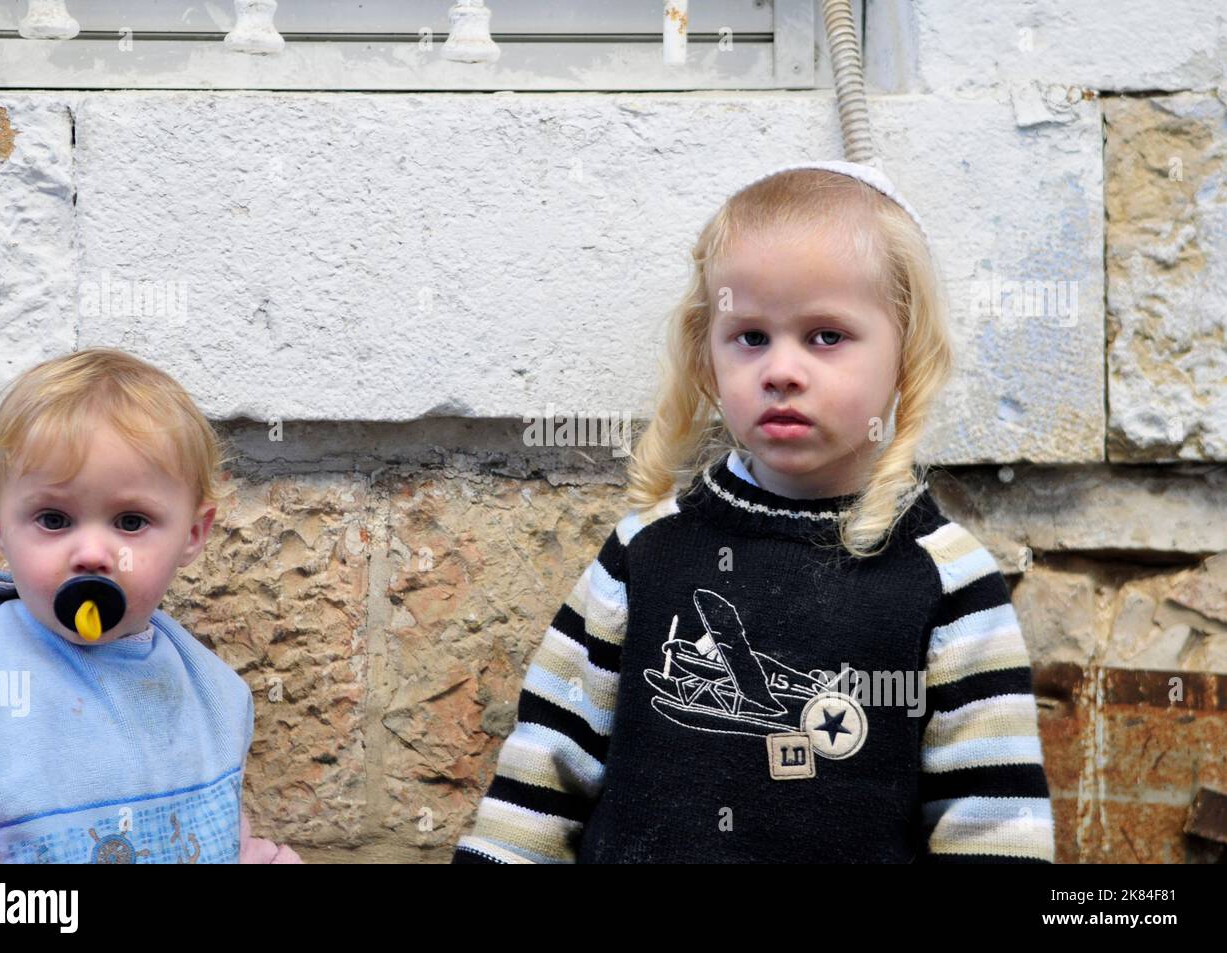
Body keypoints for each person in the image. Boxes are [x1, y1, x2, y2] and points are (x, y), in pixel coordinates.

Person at [452, 160, 1055, 863]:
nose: (782, 370)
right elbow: (543, 768)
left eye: (826, 335)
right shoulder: (647, 549)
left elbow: (995, 824)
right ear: (708, 356)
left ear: (906, 355)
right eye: (751, 337)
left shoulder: (949, 580)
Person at [0, 347, 301, 863]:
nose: (93, 555)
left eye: (130, 522)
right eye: (54, 520)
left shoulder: (205, 688)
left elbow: (216, 838)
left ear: (193, 534)